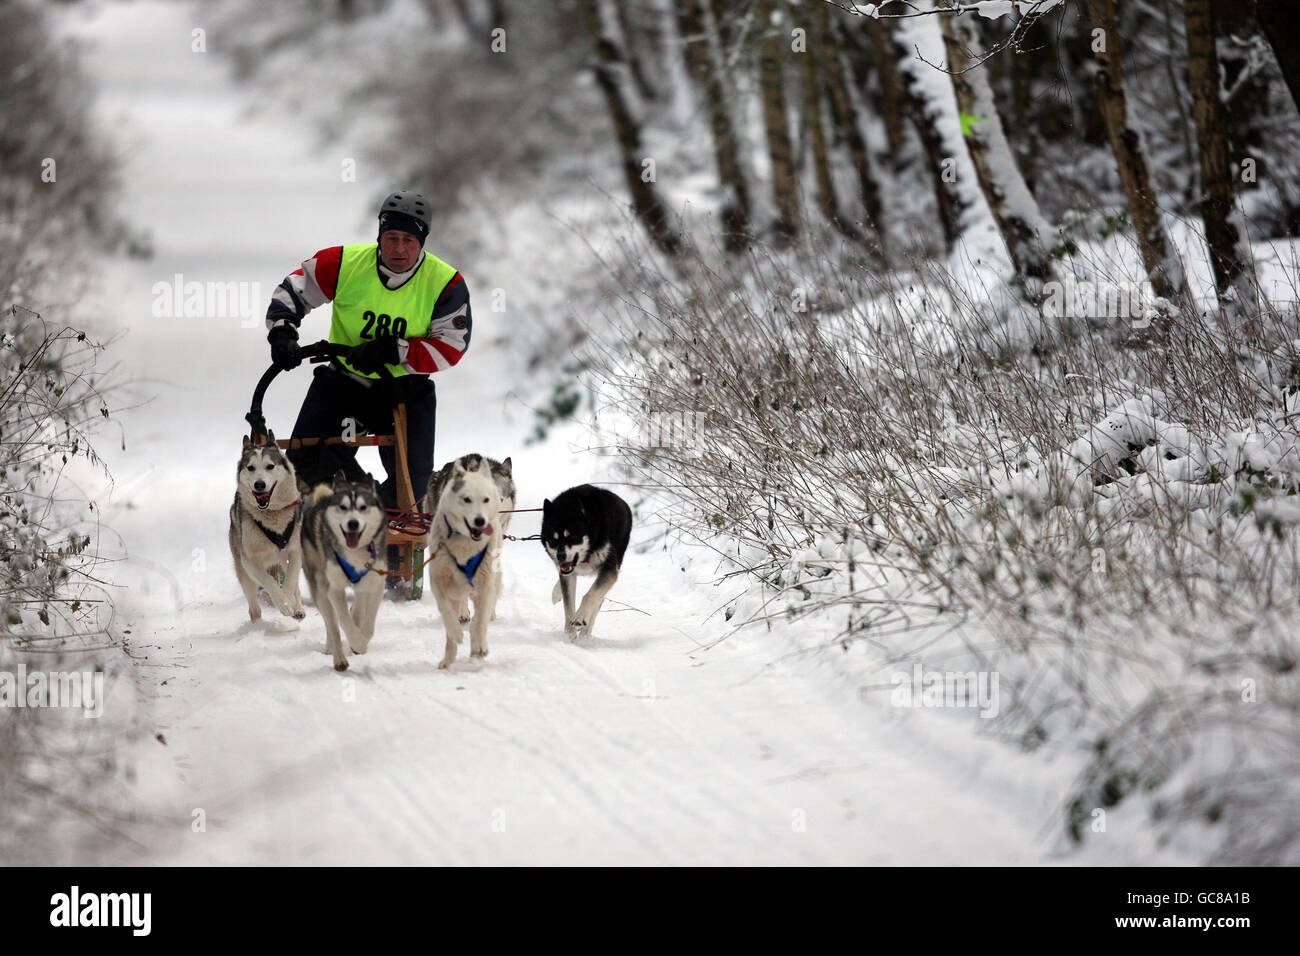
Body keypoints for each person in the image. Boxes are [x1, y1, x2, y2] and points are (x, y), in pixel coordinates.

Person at [264, 191, 471, 519]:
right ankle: (317, 518)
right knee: (303, 467)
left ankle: (391, 529)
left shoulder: (445, 282)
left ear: (422, 242)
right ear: (379, 236)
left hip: (405, 390)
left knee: (411, 486)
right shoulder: (344, 263)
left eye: (408, 239)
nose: (399, 249)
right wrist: (282, 330)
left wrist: (397, 350)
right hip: (344, 383)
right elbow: (293, 290)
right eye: (391, 238)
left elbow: (451, 346)